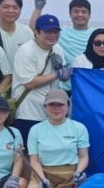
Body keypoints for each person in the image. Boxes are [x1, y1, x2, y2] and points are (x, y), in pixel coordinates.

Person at [21, 89, 89, 188]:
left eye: (60, 105)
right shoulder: (36, 130)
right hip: (44, 175)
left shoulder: (79, 128)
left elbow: (83, 156)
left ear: (68, 106)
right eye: (52, 105)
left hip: (68, 178)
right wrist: (42, 179)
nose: (56, 108)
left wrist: (79, 172)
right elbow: (34, 159)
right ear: (45, 107)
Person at [11, 13, 68, 144]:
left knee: (47, 151)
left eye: (56, 31)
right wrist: (57, 75)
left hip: (51, 112)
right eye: (48, 31)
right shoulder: (26, 51)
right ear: (36, 32)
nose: (52, 35)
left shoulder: (57, 49)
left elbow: (62, 75)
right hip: (28, 112)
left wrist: (64, 76)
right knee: (27, 152)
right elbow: (29, 83)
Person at [28, 0, 94, 58]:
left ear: (89, 15)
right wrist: (38, 8)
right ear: (70, 14)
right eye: (76, 11)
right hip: (65, 68)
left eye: (84, 12)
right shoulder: (60, 33)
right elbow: (34, 32)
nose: (80, 15)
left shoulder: (96, 34)